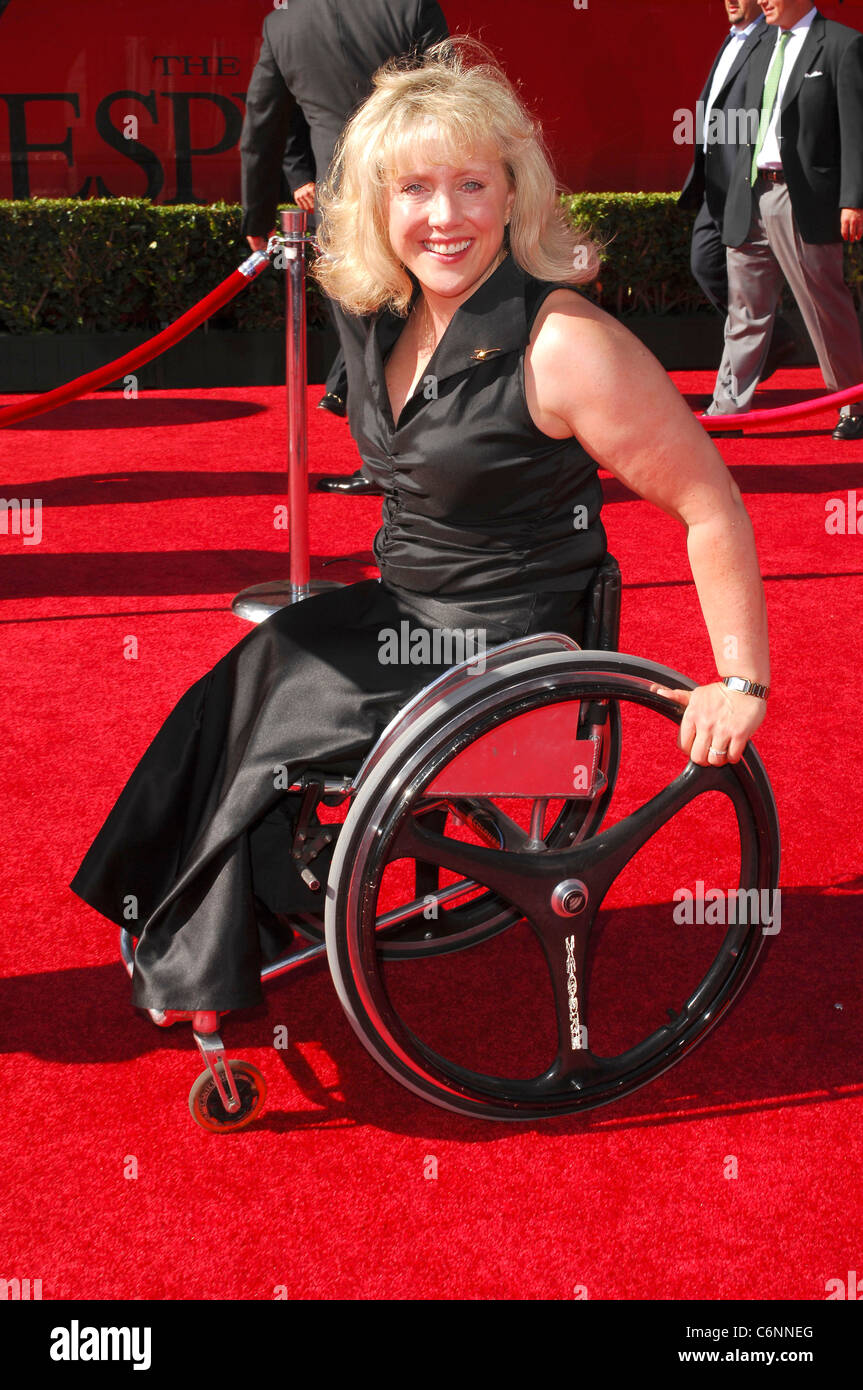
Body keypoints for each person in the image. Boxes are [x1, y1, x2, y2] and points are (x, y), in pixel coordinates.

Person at [71, 40, 770, 1018]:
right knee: (243, 678)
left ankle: (210, 953)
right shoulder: (390, 316)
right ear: (380, 203)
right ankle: (193, 921)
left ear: (512, 193)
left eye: (469, 184)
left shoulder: (565, 343)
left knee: (279, 715)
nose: (442, 216)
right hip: (406, 610)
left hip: (499, 646)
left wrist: (738, 680)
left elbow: (708, 503)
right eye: (413, 189)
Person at [240, 0, 449, 495]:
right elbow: (450, 97)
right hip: (419, 193)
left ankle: (382, 466)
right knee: (441, 321)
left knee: (362, 342)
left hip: (343, 205)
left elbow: (261, 125)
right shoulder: (410, 6)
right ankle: (450, 452)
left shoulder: (284, 23)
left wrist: (256, 213)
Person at [707, 0, 863, 439]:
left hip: (804, 199)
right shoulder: (760, 48)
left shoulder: (842, 46)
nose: (762, 0)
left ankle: (853, 404)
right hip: (752, 193)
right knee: (745, 309)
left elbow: (856, 131)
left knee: (823, 305)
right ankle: (728, 409)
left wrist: (853, 199)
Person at [678, 0, 798, 375]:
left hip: (744, 182)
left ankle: (752, 362)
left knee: (747, 276)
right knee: (705, 263)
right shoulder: (732, 40)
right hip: (715, 184)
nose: (732, 0)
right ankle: (776, 338)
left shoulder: (769, 39)